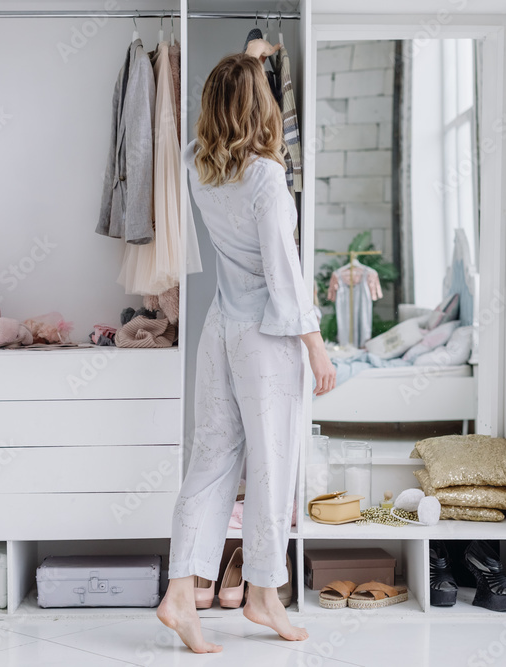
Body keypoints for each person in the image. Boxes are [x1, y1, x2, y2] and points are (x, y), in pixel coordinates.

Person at [157, 42, 336, 654]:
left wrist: (247, 59)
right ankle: (263, 593)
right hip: (266, 337)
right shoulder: (265, 177)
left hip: (220, 329)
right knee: (271, 464)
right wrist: (317, 347)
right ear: (261, 108)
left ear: (210, 107)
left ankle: (181, 593)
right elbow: (285, 274)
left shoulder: (195, 163)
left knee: (210, 459)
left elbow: (225, 97)